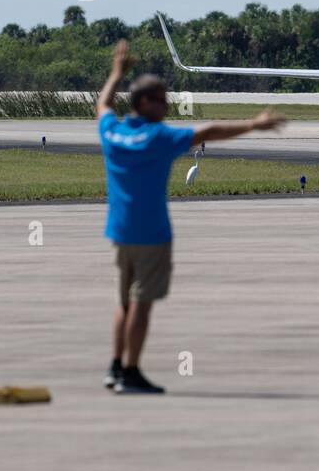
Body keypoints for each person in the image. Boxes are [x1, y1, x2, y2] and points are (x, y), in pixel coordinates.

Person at [95, 39, 286, 394]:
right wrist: (254, 125)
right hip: (151, 234)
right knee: (141, 304)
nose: (168, 105)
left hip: (119, 232)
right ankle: (131, 373)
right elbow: (208, 132)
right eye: (162, 99)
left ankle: (115, 366)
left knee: (124, 303)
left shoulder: (112, 132)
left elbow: (103, 104)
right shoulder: (159, 137)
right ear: (145, 103)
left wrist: (116, 73)